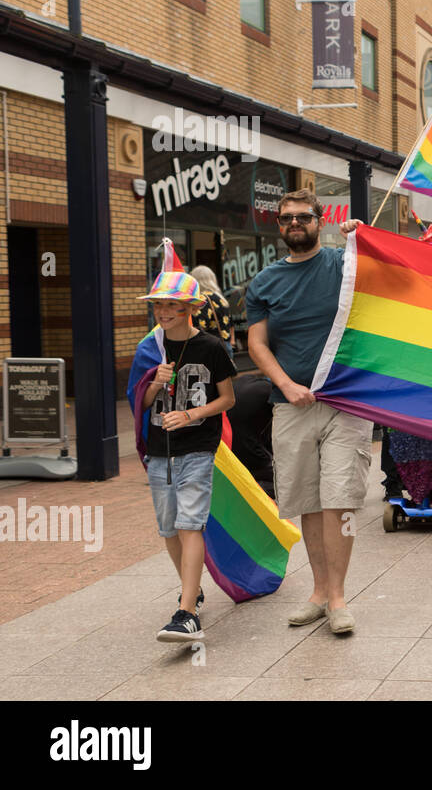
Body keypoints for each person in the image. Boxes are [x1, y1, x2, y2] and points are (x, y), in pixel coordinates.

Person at [246, 191, 371, 635]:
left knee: (340, 501)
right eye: (286, 219)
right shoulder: (263, 282)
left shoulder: (344, 264)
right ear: (278, 226)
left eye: (303, 217)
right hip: (291, 406)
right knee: (309, 503)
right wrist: (285, 385)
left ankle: (338, 599)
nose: (294, 223)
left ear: (321, 221)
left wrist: (363, 239)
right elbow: (257, 343)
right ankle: (319, 593)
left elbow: (391, 276)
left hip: (345, 402)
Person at [137, 269, 237, 642]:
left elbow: (228, 399)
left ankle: (186, 611)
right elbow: (140, 403)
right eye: (159, 305)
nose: (163, 312)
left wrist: (191, 414)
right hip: (159, 452)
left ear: (190, 308)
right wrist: (153, 384)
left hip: (197, 448)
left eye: (172, 305)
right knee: (168, 528)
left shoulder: (211, 347)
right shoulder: (150, 348)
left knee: (188, 523)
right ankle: (192, 588)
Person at [191, 264, 234, 353]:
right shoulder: (221, 298)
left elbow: (201, 325)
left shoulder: (203, 299)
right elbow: (231, 323)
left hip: (211, 347)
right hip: (225, 344)